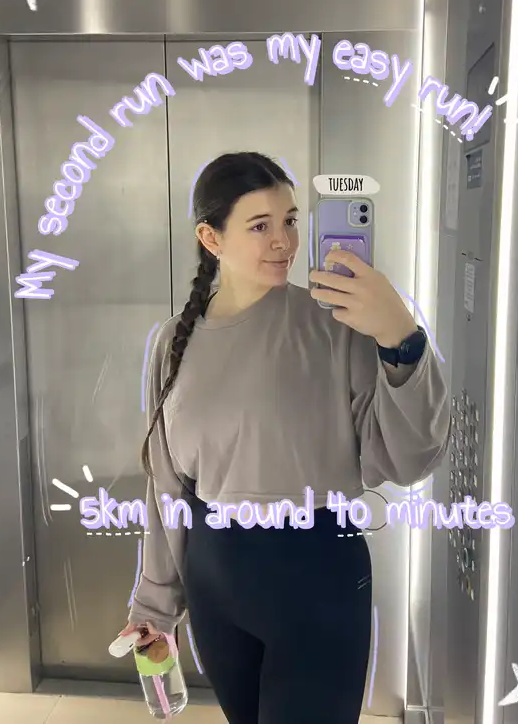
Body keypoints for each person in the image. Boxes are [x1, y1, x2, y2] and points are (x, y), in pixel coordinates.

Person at [119, 152, 450, 724]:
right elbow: (167, 487)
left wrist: (400, 337)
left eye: (291, 220)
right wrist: (155, 603)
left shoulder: (336, 323)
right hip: (216, 585)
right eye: (260, 225)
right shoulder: (174, 342)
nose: (284, 241)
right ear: (211, 238)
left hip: (317, 581)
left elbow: (410, 457)